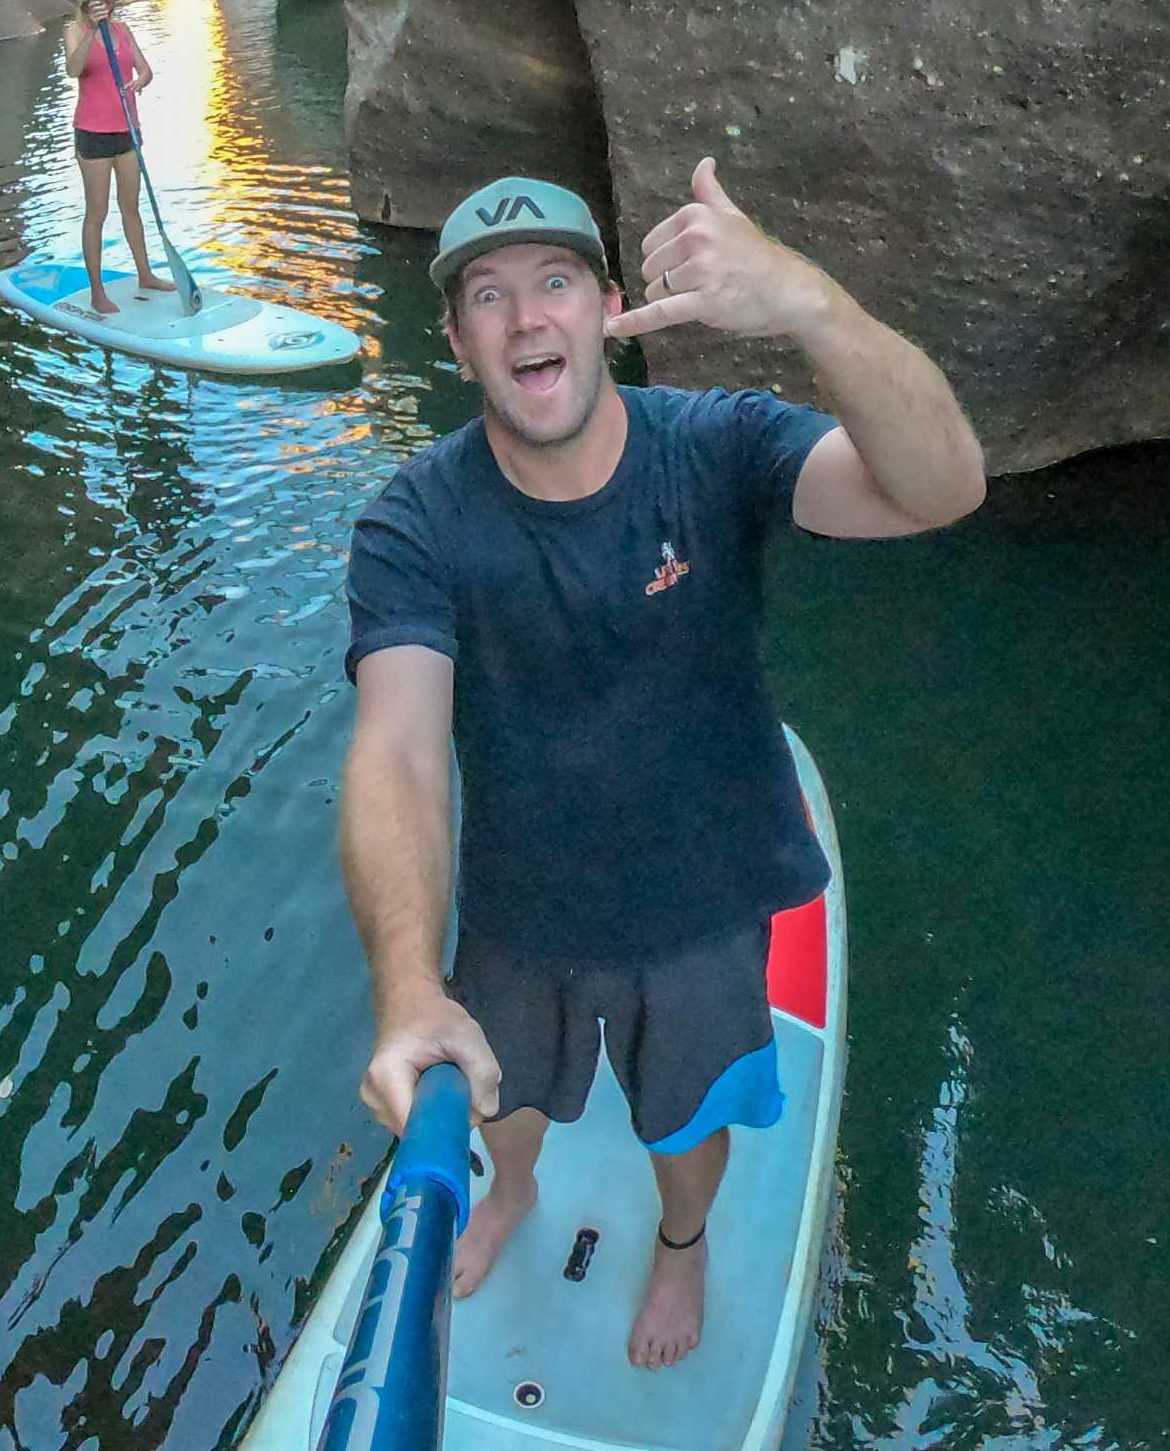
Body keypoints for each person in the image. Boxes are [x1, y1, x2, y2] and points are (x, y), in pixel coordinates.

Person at [340, 160, 986, 1370]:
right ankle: (513, 1191)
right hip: (524, 904)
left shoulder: (721, 447)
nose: (528, 316)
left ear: (608, 306)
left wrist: (814, 308)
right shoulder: (416, 519)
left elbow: (943, 488)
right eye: (488, 294)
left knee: (684, 1119)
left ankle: (681, 1245)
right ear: (457, 338)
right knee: (504, 1094)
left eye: (555, 282)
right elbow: (399, 749)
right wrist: (408, 989)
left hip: (702, 899)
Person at [62, 0, 171, 317]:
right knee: (97, 212)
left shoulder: (122, 29)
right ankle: (97, 292)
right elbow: (74, 70)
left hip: (128, 129)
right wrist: (93, 30)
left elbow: (145, 69)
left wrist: (142, 80)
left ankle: (145, 274)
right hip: (93, 134)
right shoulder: (74, 30)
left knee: (131, 207)